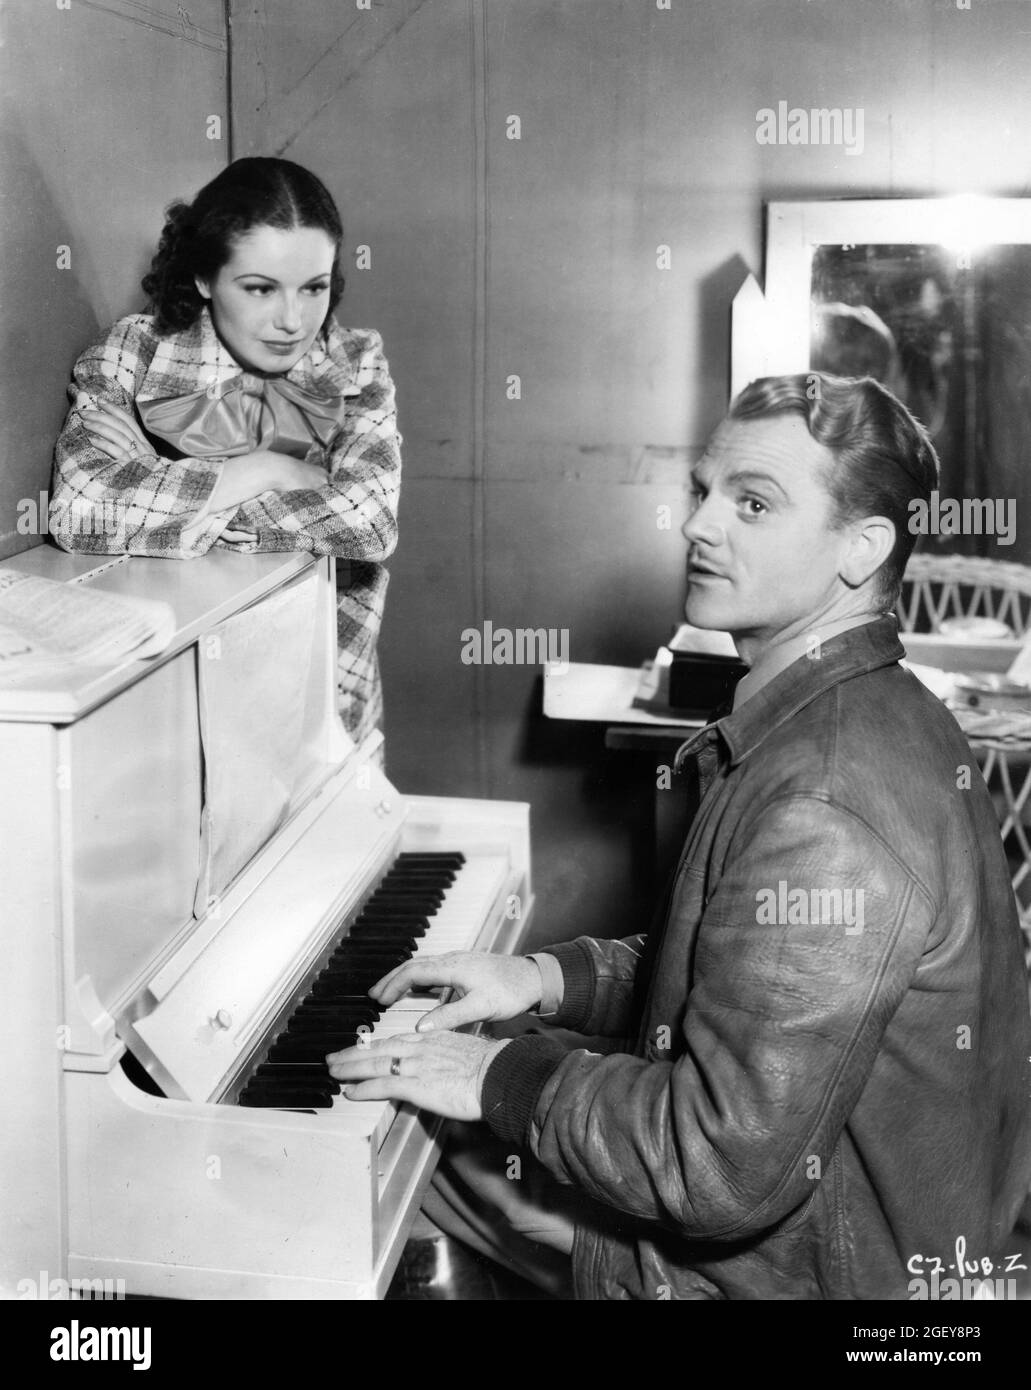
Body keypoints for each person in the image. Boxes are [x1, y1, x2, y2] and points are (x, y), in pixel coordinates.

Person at [329, 373, 1031, 1300]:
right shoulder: (867, 709)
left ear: (861, 549)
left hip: (817, 1282)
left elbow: (715, 1166)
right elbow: (733, 975)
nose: (698, 526)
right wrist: (546, 980)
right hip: (843, 1236)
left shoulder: (824, 802)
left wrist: (499, 1072)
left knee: (390, 1158)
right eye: (703, 492)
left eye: (752, 504)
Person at [50, 157, 401, 747]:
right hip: (172, 705)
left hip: (331, 689)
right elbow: (80, 512)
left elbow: (367, 525)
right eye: (260, 288)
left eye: (313, 287)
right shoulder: (131, 352)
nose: (293, 321)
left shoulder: (355, 359)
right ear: (205, 277)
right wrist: (276, 471)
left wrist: (161, 480)